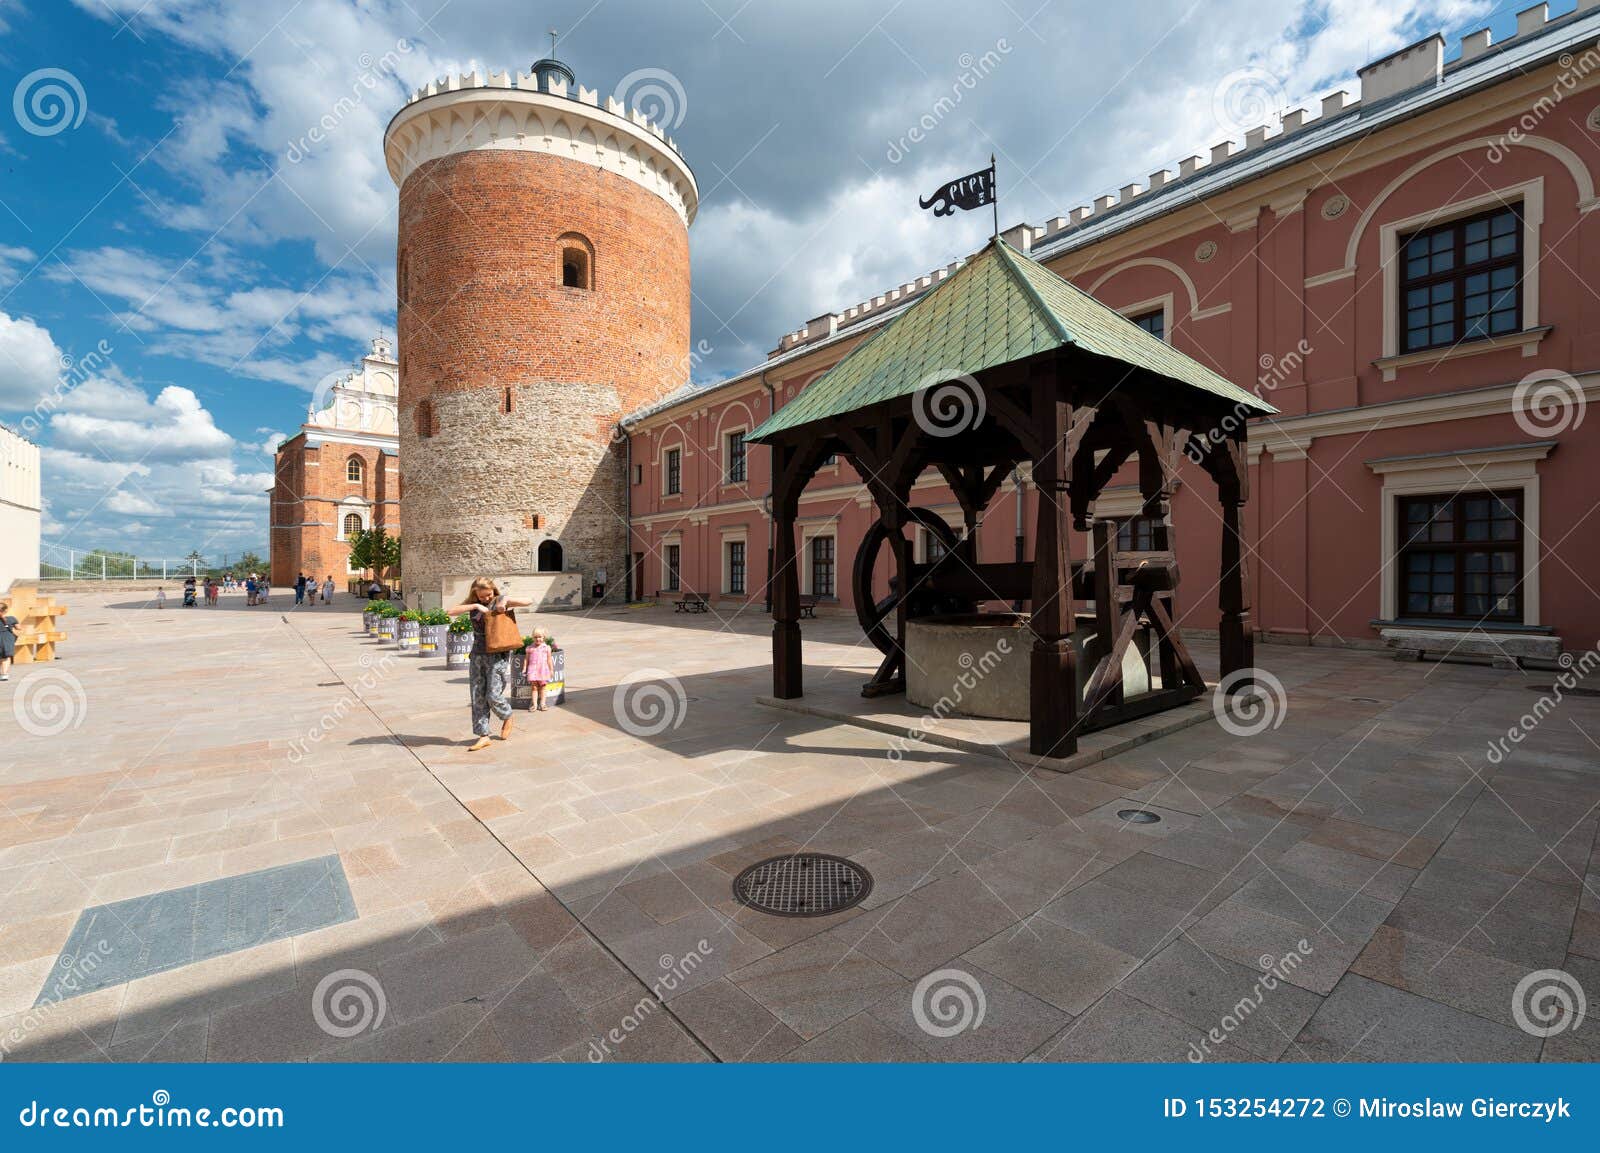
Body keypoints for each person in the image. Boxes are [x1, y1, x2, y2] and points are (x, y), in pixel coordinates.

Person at [446, 577, 532, 752]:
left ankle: (507, 715)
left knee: (493, 694)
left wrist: (505, 600)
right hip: (477, 654)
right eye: (482, 596)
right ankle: (483, 735)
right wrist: (475, 606)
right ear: (475, 594)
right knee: (477, 694)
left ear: (493, 591)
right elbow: (450, 611)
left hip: (497, 654)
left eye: (489, 594)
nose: (486, 599)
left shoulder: (499, 600)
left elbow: (529, 600)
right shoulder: (474, 604)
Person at [522, 627, 554, 712]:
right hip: (533, 670)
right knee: (534, 688)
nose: (538, 639)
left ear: (544, 637)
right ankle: (534, 704)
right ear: (533, 637)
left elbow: (549, 660)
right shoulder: (530, 648)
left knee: (543, 687)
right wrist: (524, 668)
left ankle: (543, 704)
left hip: (543, 670)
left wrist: (551, 670)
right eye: (535, 637)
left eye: (540, 637)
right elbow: (526, 659)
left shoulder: (546, 648)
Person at [0, 598, 17, 681]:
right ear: (6, 610)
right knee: (6, 658)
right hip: (7, 640)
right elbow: (19, 628)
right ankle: (4, 674)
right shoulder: (11, 619)